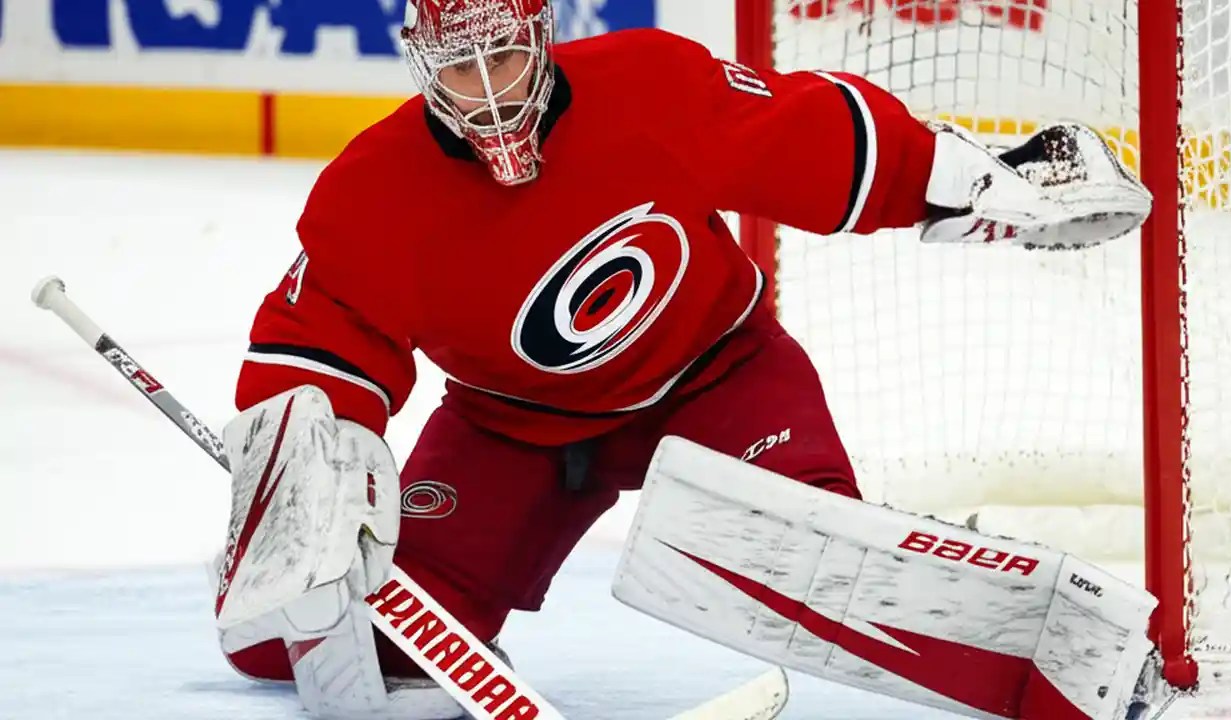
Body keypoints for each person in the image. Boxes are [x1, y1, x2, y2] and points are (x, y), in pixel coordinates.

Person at [211, 1, 1150, 718]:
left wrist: (977, 179)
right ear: (422, 64)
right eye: (461, 65)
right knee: (325, 638)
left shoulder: (648, 83)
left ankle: (1007, 609)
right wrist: (301, 507)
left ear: (541, 33)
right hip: (511, 433)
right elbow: (314, 356)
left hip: (719, 380)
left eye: (501, 53)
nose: (488, 88)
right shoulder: (371, 196)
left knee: (820, 557)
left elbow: (811, 137)